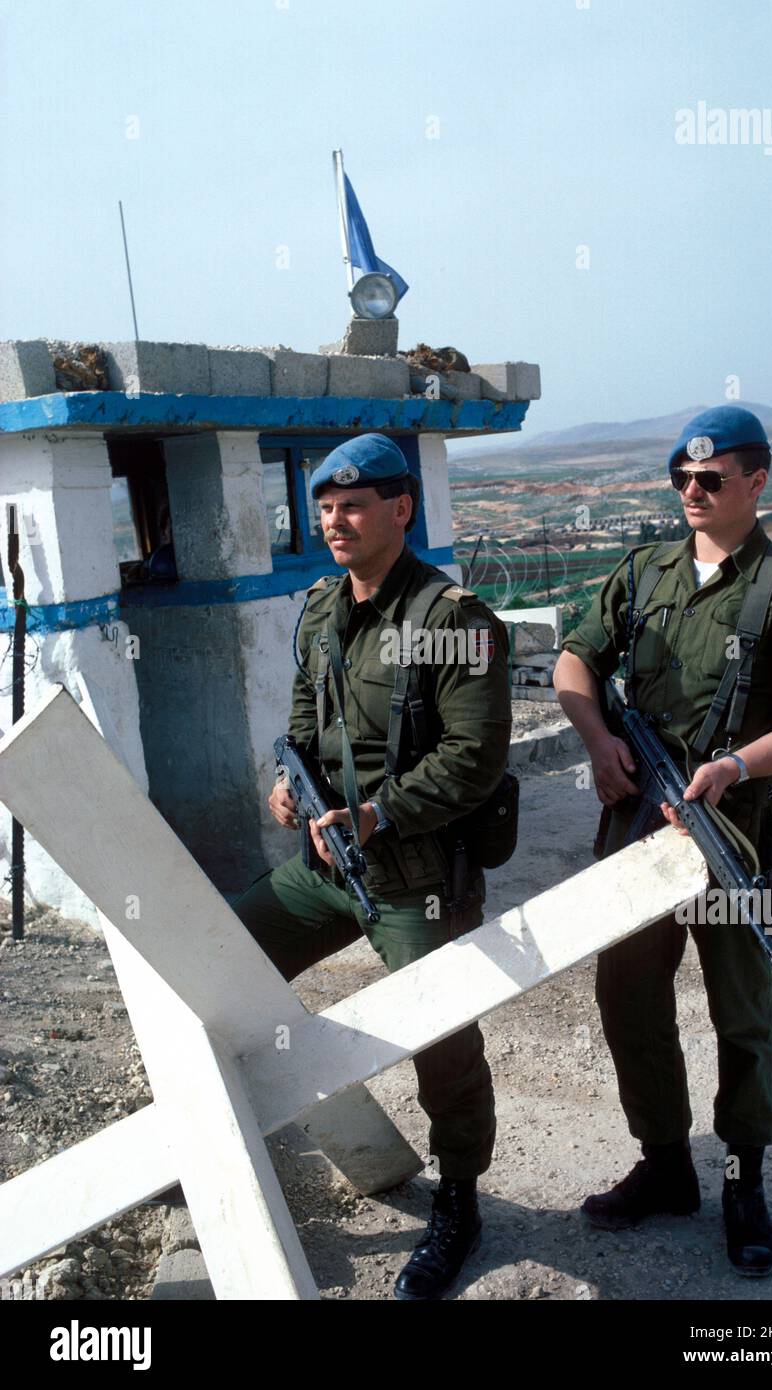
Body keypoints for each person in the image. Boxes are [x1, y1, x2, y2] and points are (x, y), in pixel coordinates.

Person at [553, 405, 772, 1276]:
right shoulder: (643, 573)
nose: (692, 491)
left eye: (711, 480)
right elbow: (576, 659)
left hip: (737, 841)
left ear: (756, 483)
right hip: (640, 834)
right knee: (630, 1003)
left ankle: (743, 1179)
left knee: (742, 1015)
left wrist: (736, 767)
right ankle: (666, 1165)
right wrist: (597, 740)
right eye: (682, 478)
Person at [231, 431, 512, 1300]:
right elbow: (302, 730)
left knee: (440, 1039)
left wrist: (381, 811)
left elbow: (474, 756)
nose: (334, 520)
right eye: (323, 506)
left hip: (417, 877)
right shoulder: (321, 611)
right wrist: (290, 789)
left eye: (352, 505)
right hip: (327, 861)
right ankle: (220, 1144)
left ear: (402, 508)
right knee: (225, 958)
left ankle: (459, 1199)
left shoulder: (451, 620)